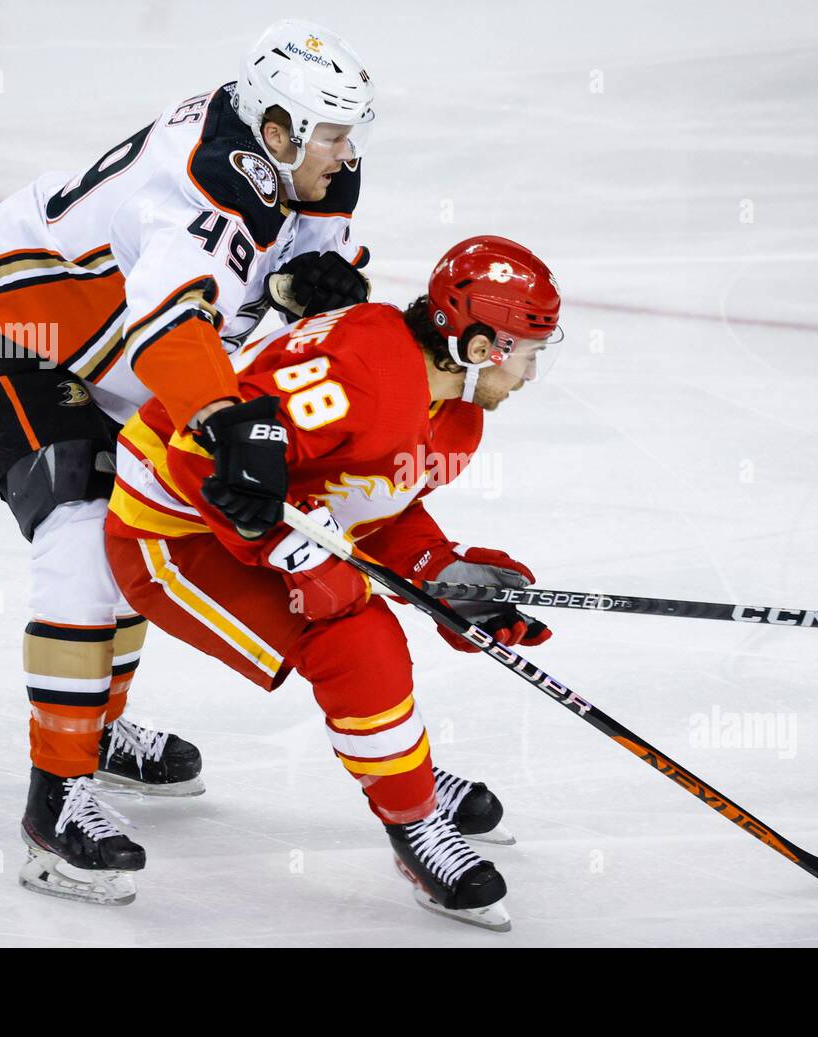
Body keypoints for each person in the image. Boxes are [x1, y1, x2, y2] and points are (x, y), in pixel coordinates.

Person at [0, 19, 383, 904]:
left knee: (143, 514)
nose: (347, 149)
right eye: (332, 133)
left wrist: (316, 291)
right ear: (280, 130)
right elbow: (174, 321)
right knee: (90, 530)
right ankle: (52, 803)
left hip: (106, 347)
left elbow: (300, 268)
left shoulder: (291, 148)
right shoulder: (203, 185)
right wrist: (227, 423)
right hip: (8, 334)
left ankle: (96, 727)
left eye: (351, 130)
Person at [103, 236, 563, 930]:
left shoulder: (455, 417)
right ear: (476, 347)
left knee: (357, 620)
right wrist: (297, 554)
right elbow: (204, 449)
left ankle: (399, 771)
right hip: (167, 526)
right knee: (355, 634)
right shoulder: (362, 370)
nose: (531, 373)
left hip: (236, 523)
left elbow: (366, 503)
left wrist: (442, 571)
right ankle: (412, 821)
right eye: (527, 353)